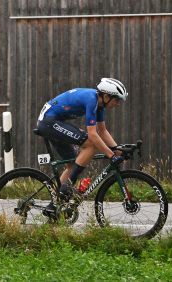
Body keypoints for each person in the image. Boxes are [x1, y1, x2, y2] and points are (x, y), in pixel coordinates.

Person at [35, 77, 128, 215]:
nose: (118, 104)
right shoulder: (92, 99)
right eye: (117, 100)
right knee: (90, 144)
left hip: (54, 122)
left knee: (72, 164)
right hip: (49, 122)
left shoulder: (100, 104)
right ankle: (66, 188)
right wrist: (111, 155)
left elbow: (102, 131)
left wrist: (119, 150)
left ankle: (53, 205)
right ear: (107, 96)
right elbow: (93, 134)